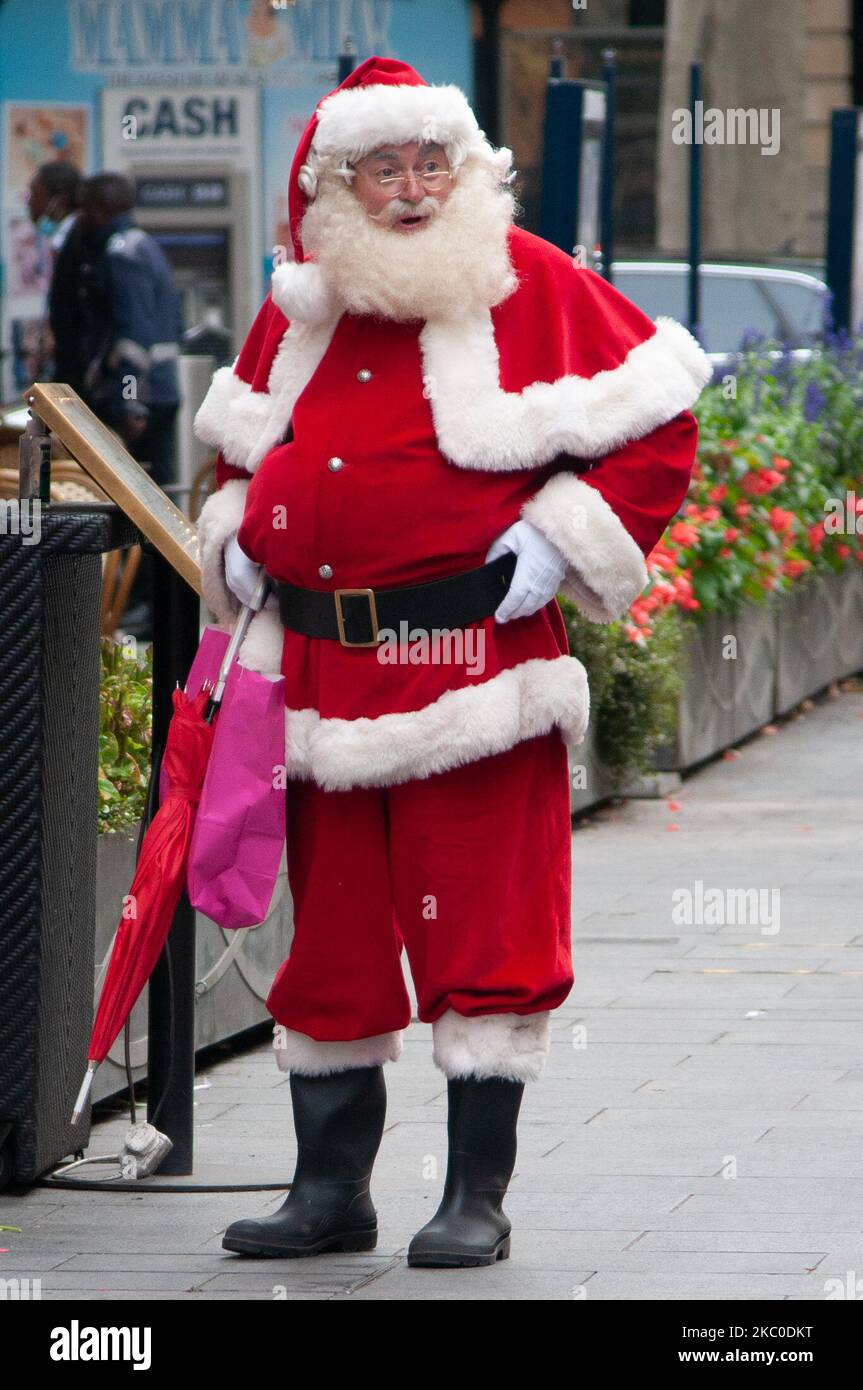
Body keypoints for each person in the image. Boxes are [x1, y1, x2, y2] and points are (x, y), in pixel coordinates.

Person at [193, 56, 711, 1268]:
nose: (416, 189)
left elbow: (662, 426)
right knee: (330, 945)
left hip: (473, 675)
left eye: (436, 163)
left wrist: (557, 538)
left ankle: (473, 1195)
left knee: (485, 935)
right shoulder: (302, 300)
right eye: (389, 167)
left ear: (470, 171)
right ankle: (332, 1191)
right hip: (321, 683)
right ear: (337, 184)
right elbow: (235, 455)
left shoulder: (524, 279)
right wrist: (239, 544)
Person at [55, 172, 184, 638]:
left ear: (100, 209)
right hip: (159, 394)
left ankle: (142, 607)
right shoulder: (141, 244)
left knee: (141, 507)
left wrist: (131, 405)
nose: (81, 219)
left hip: (140, 402)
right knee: (158, 500)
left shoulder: (118, 253)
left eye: (86, 209)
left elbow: (132, 338)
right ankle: (152, 606)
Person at [26, 160, 82, 380]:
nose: (29, 202)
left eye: (35, 194)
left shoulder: (73, 240)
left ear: (59, 200)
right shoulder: (60, 239)